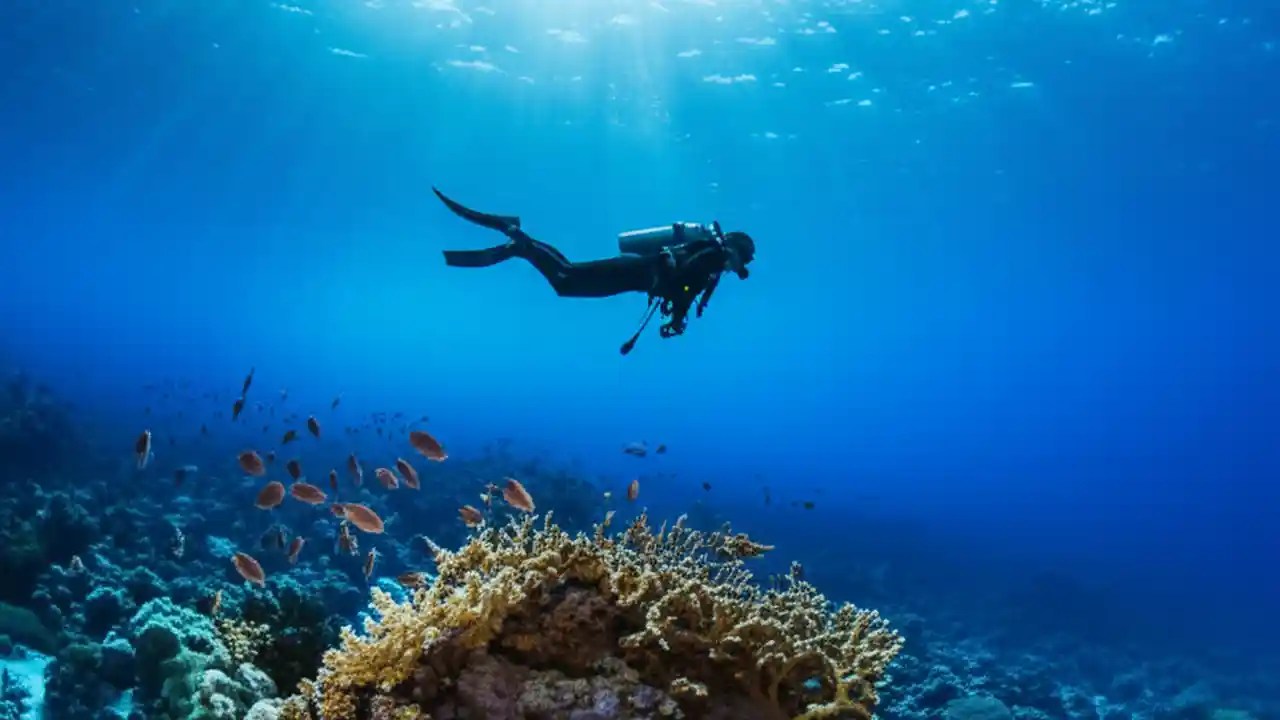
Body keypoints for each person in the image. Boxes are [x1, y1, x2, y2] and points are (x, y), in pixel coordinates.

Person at [433, 187, 755, 355]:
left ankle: (522, 242)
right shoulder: (713, 256)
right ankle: (519, 241)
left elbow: (685, 279)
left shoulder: (711, 255)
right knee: (565, 281)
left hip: (636, 273)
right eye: (741, 261)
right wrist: (678, 316)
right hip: (635, 272)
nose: (736, 268)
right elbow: (686, 280)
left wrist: (678, 309)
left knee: (567, 275)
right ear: (735, 250)